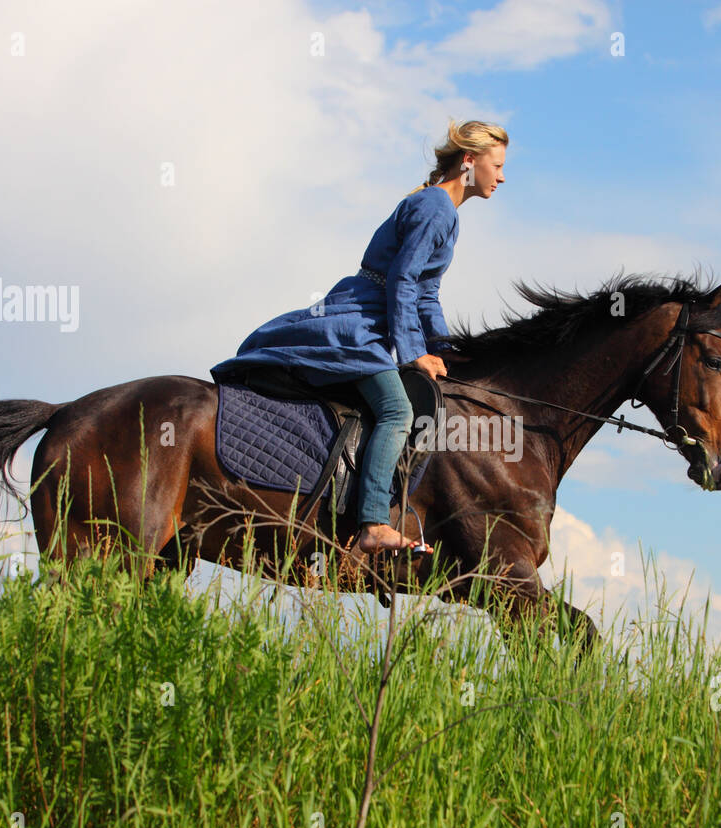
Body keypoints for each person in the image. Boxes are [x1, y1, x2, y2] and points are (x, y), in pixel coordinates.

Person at [211, 120, 508, 554]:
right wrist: (412, 354)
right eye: (496, 165)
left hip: (373, 320)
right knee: (397, 411)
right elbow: (403, 281)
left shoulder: (446, 213)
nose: (501, 176)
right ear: (469, 161)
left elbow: (427, 293)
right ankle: (372, 523)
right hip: (359, 322)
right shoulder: (437, 208)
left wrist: (445, 351)